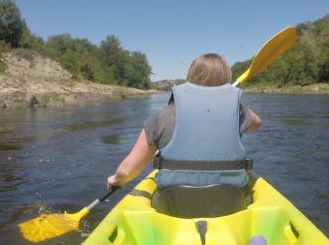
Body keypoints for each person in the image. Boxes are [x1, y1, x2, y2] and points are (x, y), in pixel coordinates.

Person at [107, 53, 261, 213]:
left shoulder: (164, 115)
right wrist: (234, 103)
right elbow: (257, 124)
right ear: (226, 78)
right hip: (230, 204)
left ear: (190, 76)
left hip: (173, 206)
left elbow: (127, 170)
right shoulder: (238, 112)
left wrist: (116, 180)